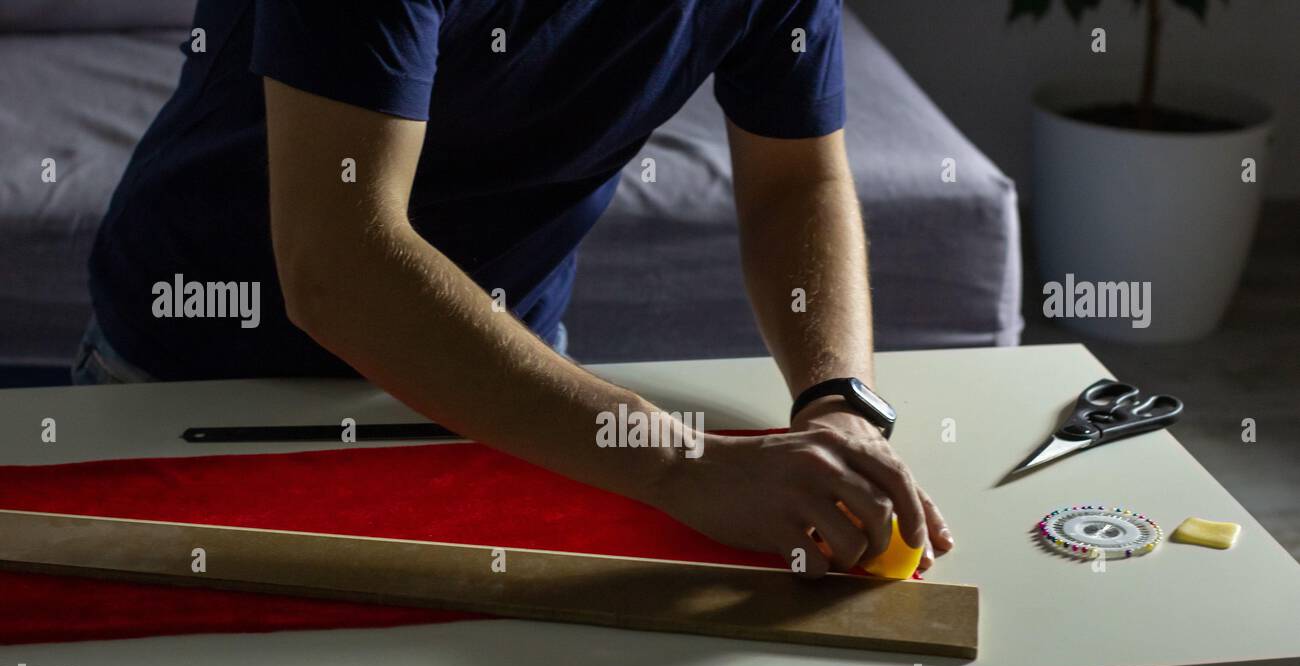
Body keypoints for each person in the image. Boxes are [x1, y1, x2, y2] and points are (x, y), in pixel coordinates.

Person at [78, 0, 953, 576]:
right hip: (200, 381)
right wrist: (687, 465)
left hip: (501, 384)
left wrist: (837, 398)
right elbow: (338, 263)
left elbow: (795, 184)